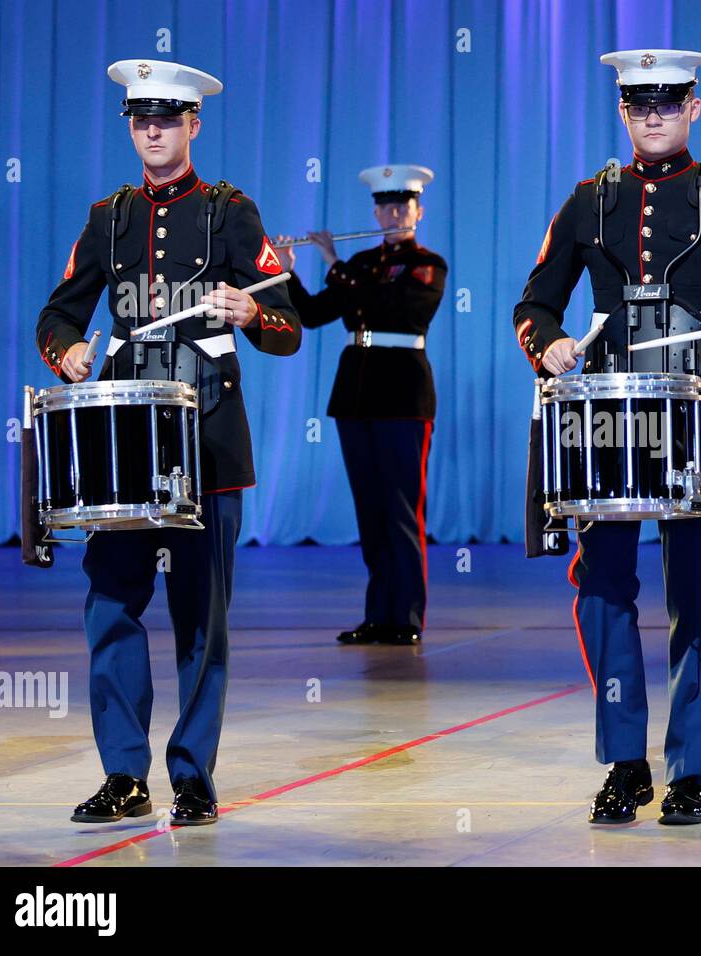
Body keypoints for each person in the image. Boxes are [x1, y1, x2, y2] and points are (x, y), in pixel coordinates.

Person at [514, 49, 701, 825]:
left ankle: (686, 772)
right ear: (622, 111)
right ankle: (625, 763)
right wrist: (545, 342)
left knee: (698, 599)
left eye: (668, 101)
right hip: (611, 420)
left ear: (693, 108)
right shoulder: (590, 200)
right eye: (640, 103)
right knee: (602, 590)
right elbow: (535, 303)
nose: (653, 114)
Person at [36, 59, 301, 826]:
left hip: (207, 438)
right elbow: (56, 316)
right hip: (123, 446)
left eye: (167, 118)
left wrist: (252, 316)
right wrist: (70, 351)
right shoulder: (107, 217)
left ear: (194, 124)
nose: (153, 130)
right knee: (111, 607)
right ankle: (124, 775)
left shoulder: (230, 214)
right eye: (140, 119)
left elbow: (285, 323)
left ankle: (191, 776)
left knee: (200, 619)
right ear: (130, 127)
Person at [279, 165, 446, 646]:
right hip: (356, 394)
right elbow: (312, 314)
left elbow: (396, 308)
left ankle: (407, 617)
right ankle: (379, 615)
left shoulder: (428, 263)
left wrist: (332, 261)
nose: (394, 214)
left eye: (403, 206)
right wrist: (290, 271)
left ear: (418, 210)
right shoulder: (362, 263)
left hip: (403, 395)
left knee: (401, 509)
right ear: (376, 211)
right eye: (386, 207)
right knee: (370, 510)